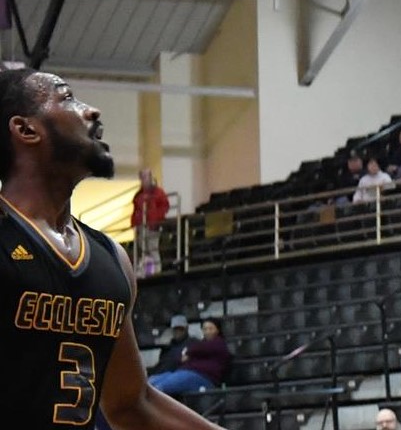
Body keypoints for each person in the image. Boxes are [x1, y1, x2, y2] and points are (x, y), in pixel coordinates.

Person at [0, 68, 248, 429]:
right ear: (26, 130)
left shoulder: (111, 258)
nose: (92, 110)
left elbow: (132, 403)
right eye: (67, 98)